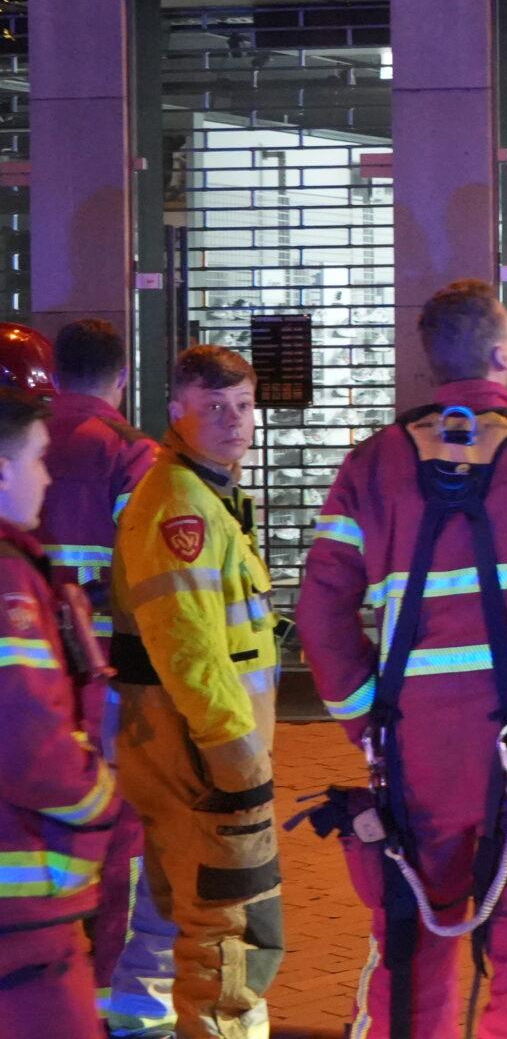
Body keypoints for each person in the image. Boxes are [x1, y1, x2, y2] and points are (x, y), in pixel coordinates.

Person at [298, 279, 507, 1039]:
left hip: (412, 755)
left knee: (407, 958)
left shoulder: (370, 466)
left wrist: (368, 722)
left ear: (430, 365)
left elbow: (320, 609)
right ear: (501, 353)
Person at [111, 345, 282, 1039]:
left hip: (190, 751)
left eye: (243, 407)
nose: (234, 421)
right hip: (208, 760)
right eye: (214, 408)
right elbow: (190, 650)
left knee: (182, 909)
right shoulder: (181, 506)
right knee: (232, 930)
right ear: (177, 411)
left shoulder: (206, 493)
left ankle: (149, 1024)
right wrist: (240, 763)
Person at [39, 321, 179, 1039]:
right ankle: (108, 1000)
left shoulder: (21, 442)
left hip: (25, 673)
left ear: (57, 374)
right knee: (116, 838)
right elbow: (148, 580)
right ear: (121, 378)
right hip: (103, 680)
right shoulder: (131, 454)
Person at [0, 388, 124, 1038]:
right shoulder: (8, 575)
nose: (48, 477)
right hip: (24, 916)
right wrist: (101, 795)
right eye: (40, 458)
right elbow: (24, 736)